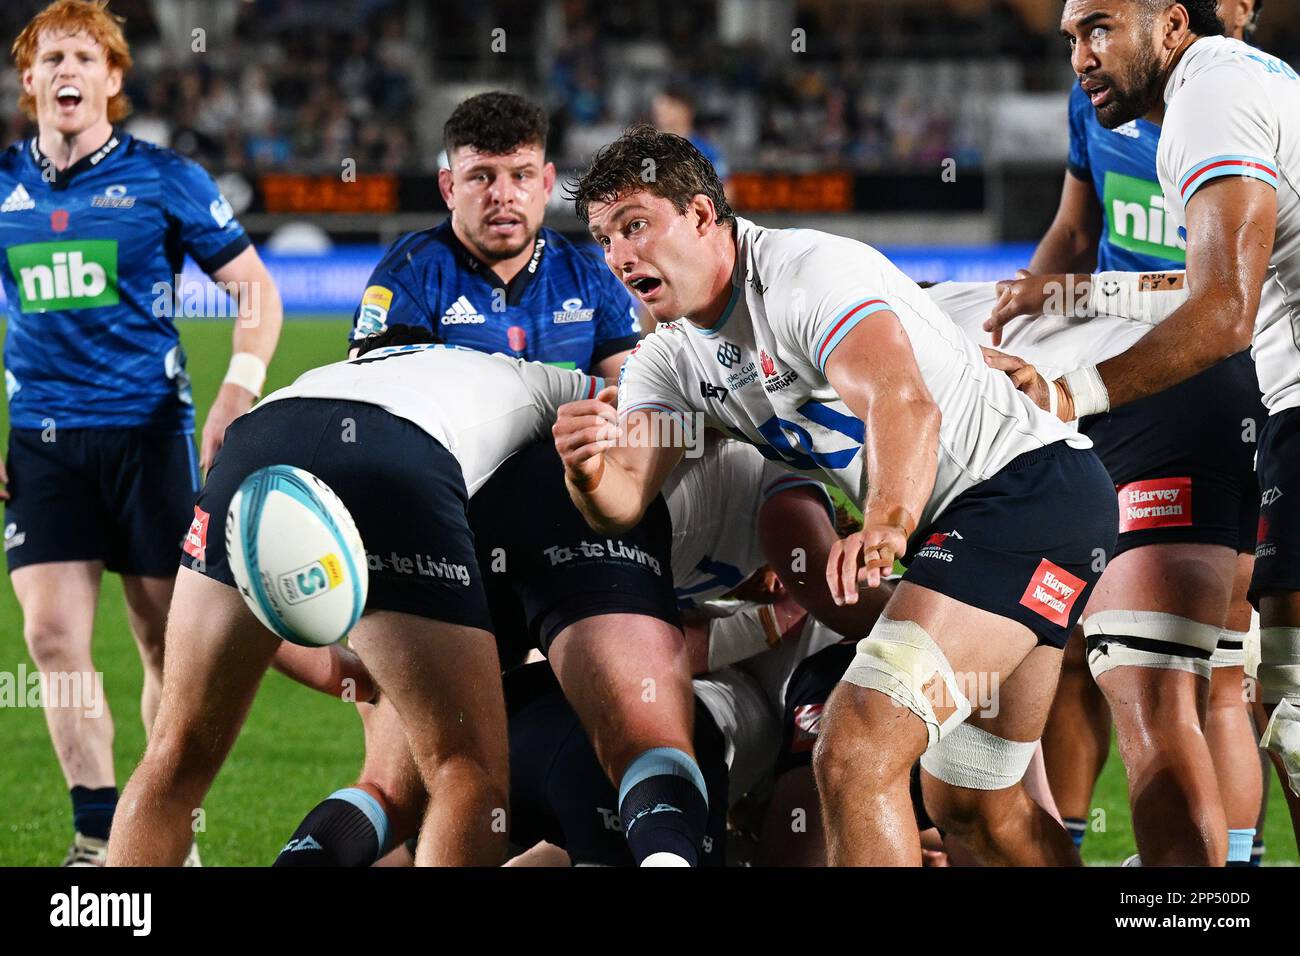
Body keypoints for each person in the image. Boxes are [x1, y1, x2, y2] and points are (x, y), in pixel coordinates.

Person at [554, 123, 1117, 865]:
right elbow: (625, 499)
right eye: (604, 240)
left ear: (698, 215)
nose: (621, 256)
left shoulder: (804, 272)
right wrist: (587, 473)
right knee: (975, 804)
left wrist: (886, 522)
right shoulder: (668, 358)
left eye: (635, 226)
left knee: (854, 747)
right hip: (989, 526)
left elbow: (901, 400)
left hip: (1023, 496)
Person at [104, 332, 605, 866]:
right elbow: (640, 396)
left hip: (255, 445)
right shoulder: (524, 376)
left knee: (175, 755)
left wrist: (352, 669)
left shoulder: (327, 373)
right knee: (465, 771)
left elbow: (259, 601)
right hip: (394, 456)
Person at [988, 0, 1300, 835]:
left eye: (1099, 30)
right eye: (1071, 39)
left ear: (1171, 24)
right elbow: (1208, 287)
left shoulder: (1211, 98)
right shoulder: (1215, 92)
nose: (1081, 57)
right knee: (1270, 692)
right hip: (1262, 396)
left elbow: (1220, 307)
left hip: (1230, 391)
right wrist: (1064, 293)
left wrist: (1071, 390)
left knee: (1258, 696)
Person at [0, 0, 282, 866]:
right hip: (41, 441)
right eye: (49, 59)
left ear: (113, 79)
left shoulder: (163, 179)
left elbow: (254, 292)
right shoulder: (3, 183)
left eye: (83, 57)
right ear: (29, 81)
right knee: (50, 638)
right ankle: (95, 835)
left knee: (168, 643)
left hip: (149, 435)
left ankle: (163, 830)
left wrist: (238, 389)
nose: (65, 72)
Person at [348, 91, 638, 379]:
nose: (502, 196)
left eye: (521, 175)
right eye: (481, 177)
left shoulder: (590, 278)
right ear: (449, 189)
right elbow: (372, 394)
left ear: (547, 184)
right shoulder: (410, 273)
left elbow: (632, 401)